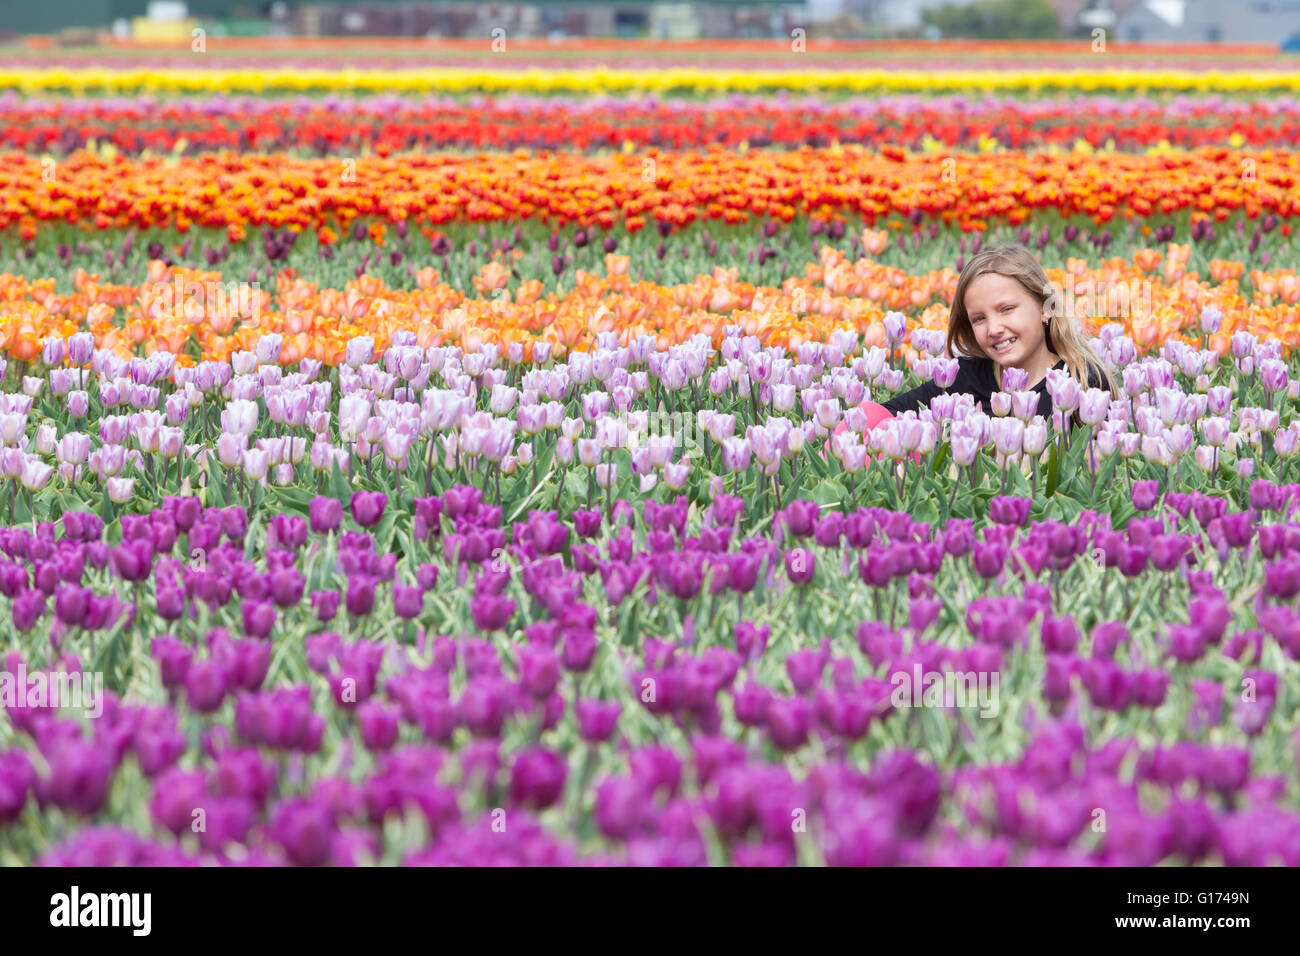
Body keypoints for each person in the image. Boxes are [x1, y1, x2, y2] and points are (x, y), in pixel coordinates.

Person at [878, 242, 1119, 421]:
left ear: (1045, 307)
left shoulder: (1083, 381)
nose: (994, 329)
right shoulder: (964, 378)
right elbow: (880, 415)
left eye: (1007, 309)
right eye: (979, 318)